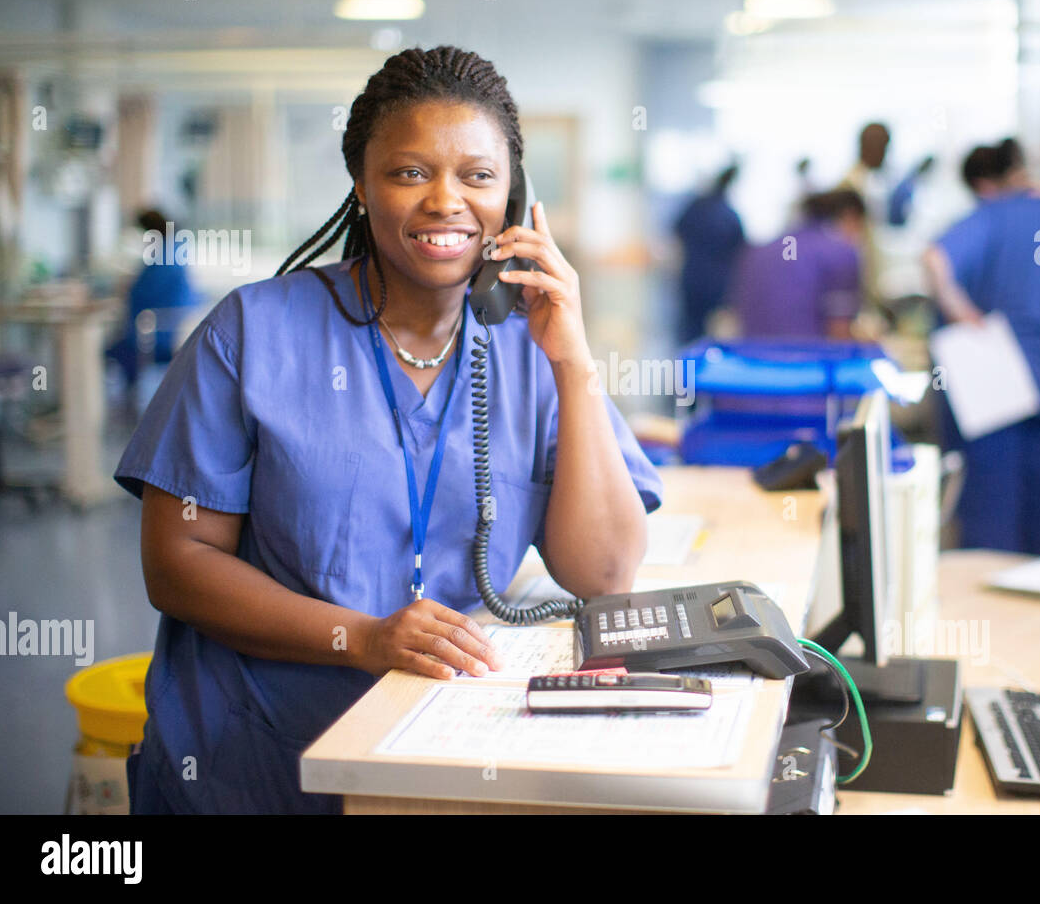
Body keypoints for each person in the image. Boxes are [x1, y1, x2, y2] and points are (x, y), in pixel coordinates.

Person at [114, 46, 662, 813]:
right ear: (363, 188)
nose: (447, 200)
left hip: (438, 753)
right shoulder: (253, 334)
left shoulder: (530, 351)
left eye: (478, 176)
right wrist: (362, 638)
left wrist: (573, 363)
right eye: (411, 173)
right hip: (254, 759)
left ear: (512, 197)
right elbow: (177, 562)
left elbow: (602, 575)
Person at [923, 141, 1040, 554]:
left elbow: (933, 259)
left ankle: (991, 615)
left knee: (991, 512)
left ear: (982, 185)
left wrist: (966, 316)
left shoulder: (993, 216)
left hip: (999, 379)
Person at [733, 188, 865, 339]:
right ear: (850, 216)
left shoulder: (758, 251)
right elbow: (839, 332)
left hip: (751, 356)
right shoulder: (841, 252)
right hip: (810, 358)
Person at [104, 209, 202, 392]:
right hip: (172, 329)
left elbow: (140, 293)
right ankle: (128, 399)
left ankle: (127, 400)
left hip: (156, 335)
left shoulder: (164, 255)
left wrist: (126, 289)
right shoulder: (175, 248)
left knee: (108, 352)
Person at [673, 164, 745, 343]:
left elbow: (677, 233)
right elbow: (741, 251)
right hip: (717, 283)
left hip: (692, 279)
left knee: (690, 331)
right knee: (715, 334)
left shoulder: (695, 207)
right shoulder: (729, 215)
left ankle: (688, 367)